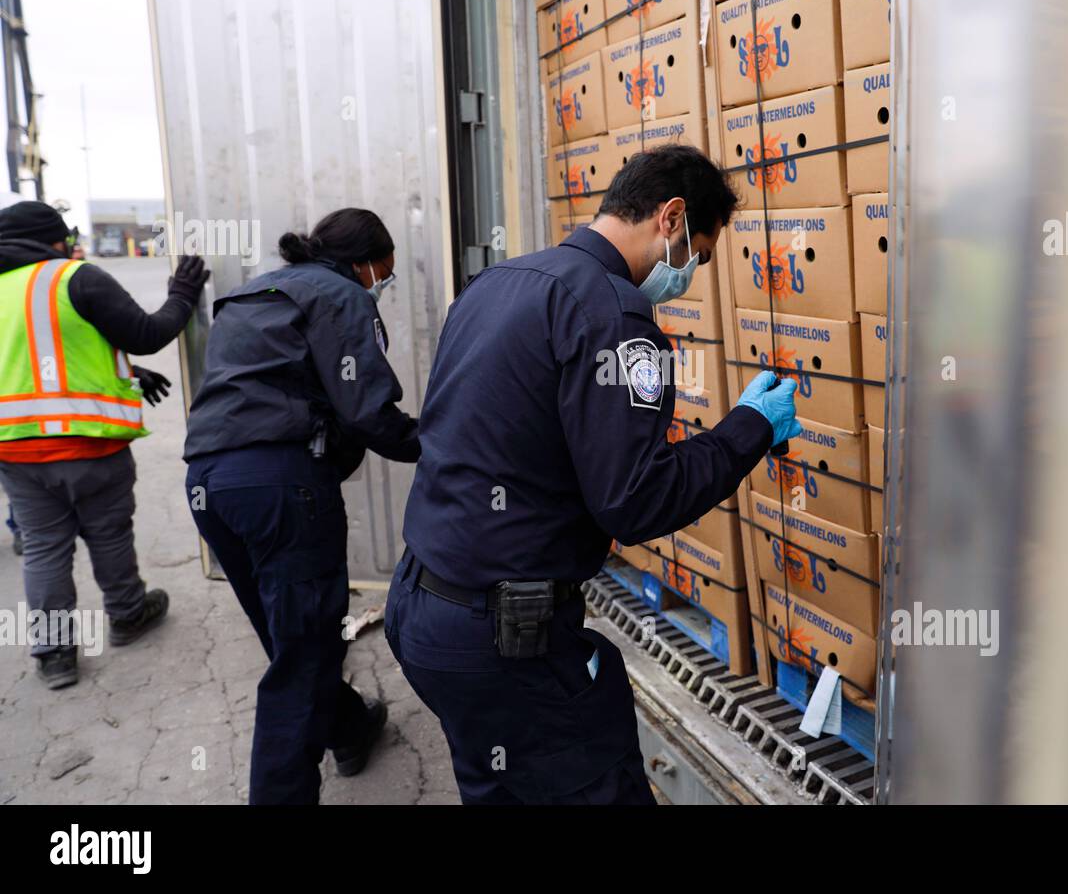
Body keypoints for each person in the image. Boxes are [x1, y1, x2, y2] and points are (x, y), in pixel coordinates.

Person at [388, 145, 803, 804]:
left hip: (423, 609)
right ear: (670, 217)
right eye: (699, 253)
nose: (691, 273)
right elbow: (636, 502)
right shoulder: (613, 314)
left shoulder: (499, 282)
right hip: (504, 642)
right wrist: (750, 427)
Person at [183, 207, 420, 805]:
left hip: (210, 484)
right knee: (305, 656)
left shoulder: (252, 294)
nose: (381, 286)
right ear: (363, 261)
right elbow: (368, 411)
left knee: (293, 640)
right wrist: (441, 442)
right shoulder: (341, 294)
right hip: (282, 488)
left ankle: (350, 727)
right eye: (383, 274)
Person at [0, 201, 205, 689]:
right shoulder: (75, 277)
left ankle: (55, 656)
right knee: (109, 531)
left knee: (45, 549)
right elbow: (148, 333)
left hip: (15, 451)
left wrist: (128, 373)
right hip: (89, 444)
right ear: (54, 241)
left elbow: (31, 356)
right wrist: (182, 294)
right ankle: (128, 614)